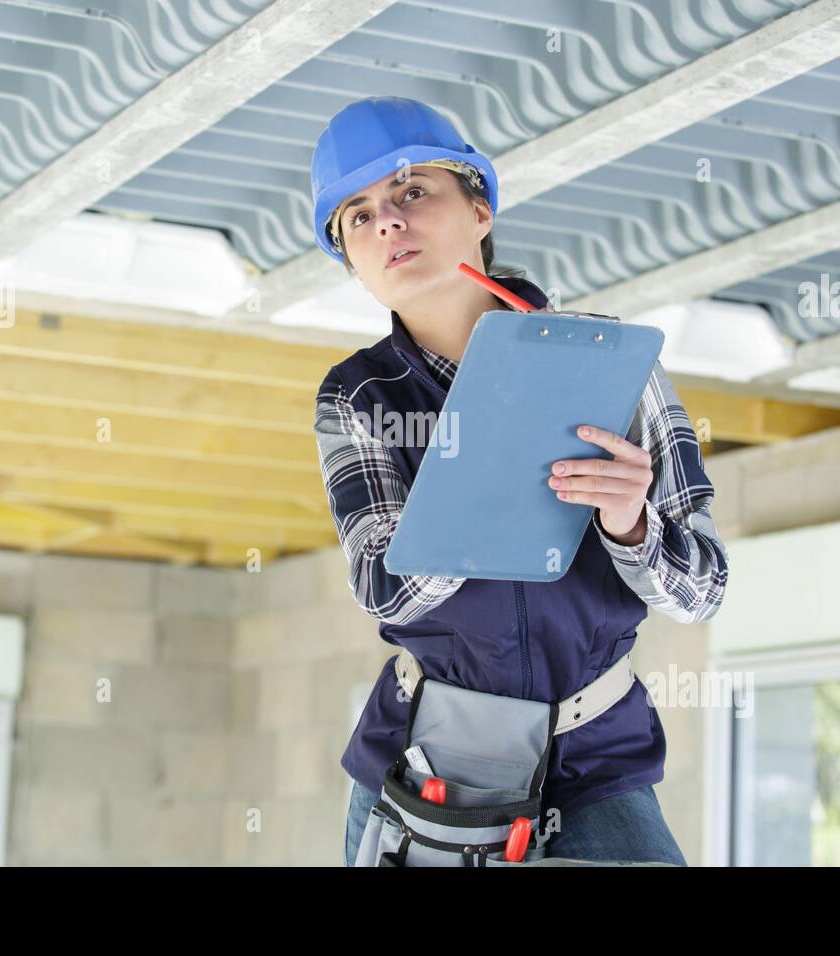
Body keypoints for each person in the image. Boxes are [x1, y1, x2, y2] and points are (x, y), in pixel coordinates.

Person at [310, 96, 729, 867]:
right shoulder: (358, 396)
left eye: (411, 193)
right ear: (351, 263)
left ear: (479, 208)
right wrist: (492, 469)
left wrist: (632, 527)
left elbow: (702, 592)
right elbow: (383, 585)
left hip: (595, 760)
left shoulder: (609, 361)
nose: (389, 224)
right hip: (426, 764)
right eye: (358, 217)